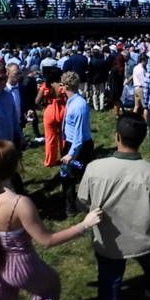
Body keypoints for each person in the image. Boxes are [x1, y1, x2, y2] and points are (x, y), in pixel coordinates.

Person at [0, 140, 102, 300]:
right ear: (15, 166)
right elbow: (46, 240)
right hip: (20, 265)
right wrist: (84, 225)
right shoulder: (20, 203)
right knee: (49, 288)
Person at [78, 112, 150, 300]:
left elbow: (81, 203)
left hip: (108, 243)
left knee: (109, 278)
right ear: (143, 138)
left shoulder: (94, 168)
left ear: (117, 137)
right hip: (144, 239)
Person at [58, 72, 93, 217]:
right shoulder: (72, 100)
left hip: (78, 147)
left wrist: (71, 154)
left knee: (70, 177)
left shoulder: (78, 106)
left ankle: (71, 208)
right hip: (73, 144)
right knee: (75, 174)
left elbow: (78, 134)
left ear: (66, 86)